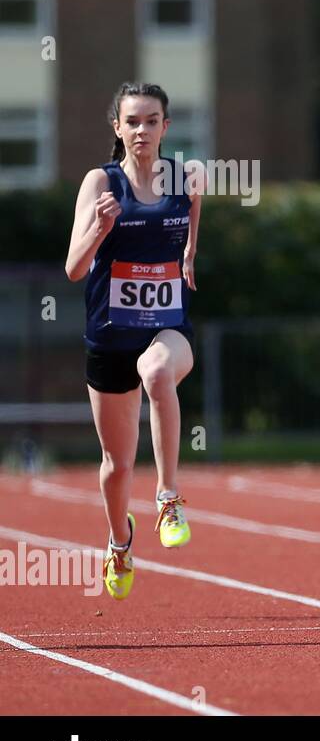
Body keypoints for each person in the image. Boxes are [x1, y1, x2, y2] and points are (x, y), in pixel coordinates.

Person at [65, 82, 202, 601]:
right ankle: (120, 541)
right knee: (116, 466)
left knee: (159, 372)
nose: (142, 130)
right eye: (133, 121)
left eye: (152, 120)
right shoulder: (101, 183)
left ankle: (169, 496)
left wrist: (189, 255)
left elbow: (192, 226)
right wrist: (99, 229)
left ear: (166, 127)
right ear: (117, 128)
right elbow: (74, 269)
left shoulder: (185, 179)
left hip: (167, 328)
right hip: (109, 337)